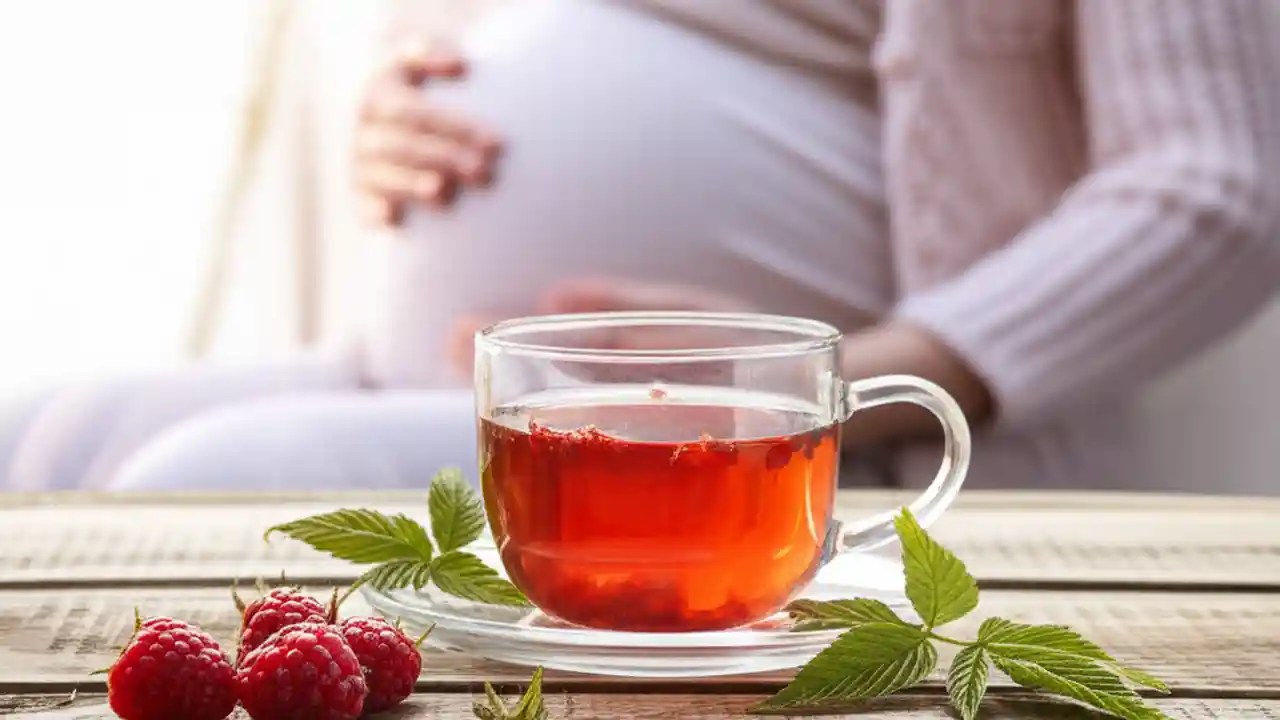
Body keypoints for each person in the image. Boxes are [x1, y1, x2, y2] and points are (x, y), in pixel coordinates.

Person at [6, 0, 1279, 493]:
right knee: (29, 442)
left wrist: (815, 382)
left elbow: (1220, 188)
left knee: (214, 488)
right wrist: (396, 108)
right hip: (440, 369)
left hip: (802, 453)